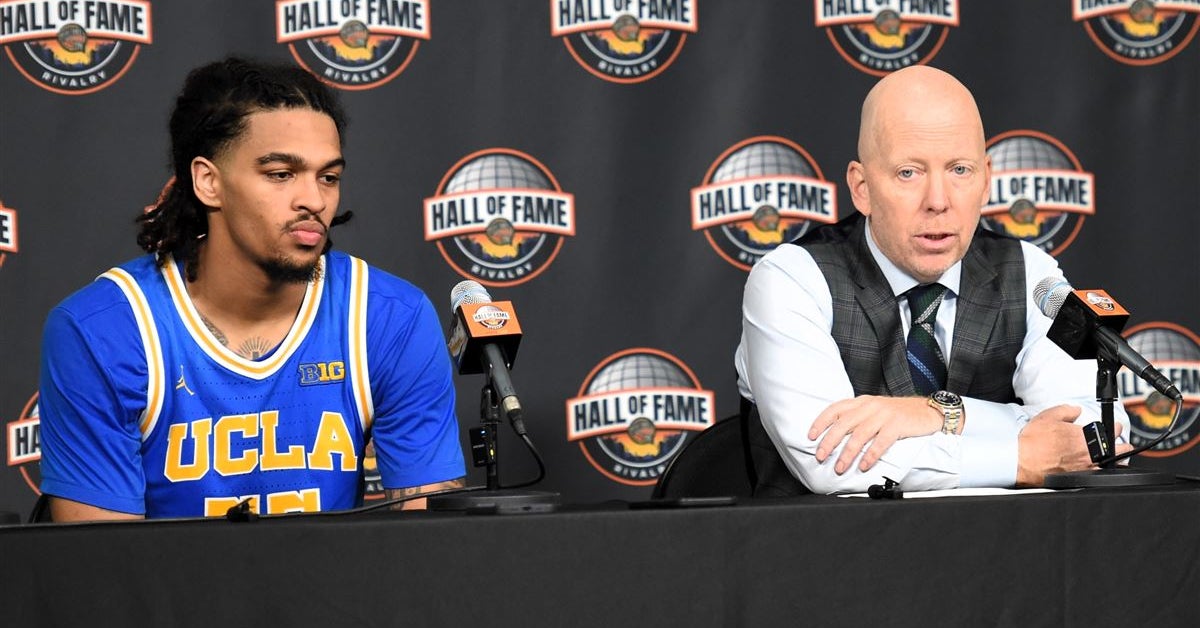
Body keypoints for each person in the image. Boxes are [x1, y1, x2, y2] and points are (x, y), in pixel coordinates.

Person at [38, 57, 466, 521]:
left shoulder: (389, 318)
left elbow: (428, 541)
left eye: (328, 177)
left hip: (337, 573)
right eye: (281, 174)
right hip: (164, 575)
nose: (314, 200)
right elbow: (102, 560)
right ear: (208, 182)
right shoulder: (104, 330)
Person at [734, 65, 1132, 495]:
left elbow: (1097, 435)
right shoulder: (791, 280)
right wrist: (1018, 456)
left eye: (959, 170)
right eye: (909, 172)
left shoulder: (1030, 272)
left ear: (986, 181)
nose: (938, 201)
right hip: (832, 539)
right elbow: (832, 460)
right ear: (862, 187)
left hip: (1003, 539)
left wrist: (939, 413)